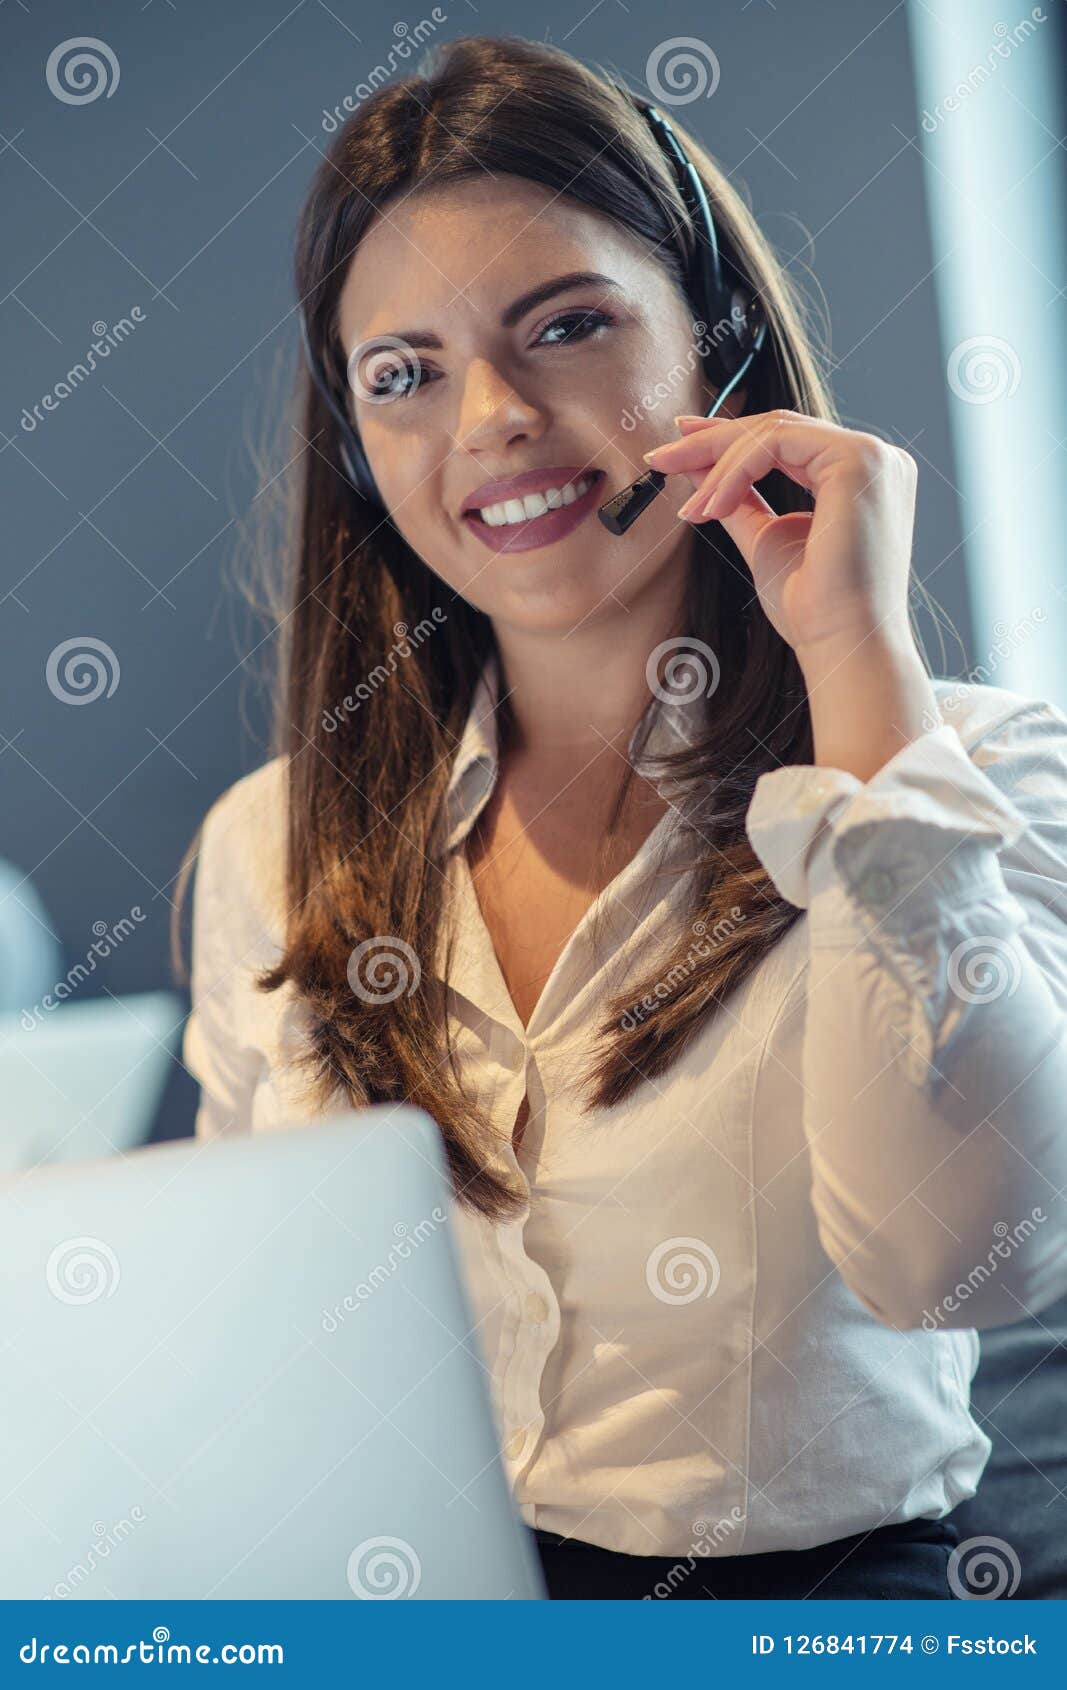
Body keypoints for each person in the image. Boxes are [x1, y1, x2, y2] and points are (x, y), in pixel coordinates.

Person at [175, 35, 1067, 1600]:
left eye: (568, 327)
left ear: (716, 351)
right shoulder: (277, 840)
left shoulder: (971, 773)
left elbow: (960, 1262)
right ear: (362, 452)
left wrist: (857, 659)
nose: (495, 416)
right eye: (407, 374)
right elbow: (259, 1351)